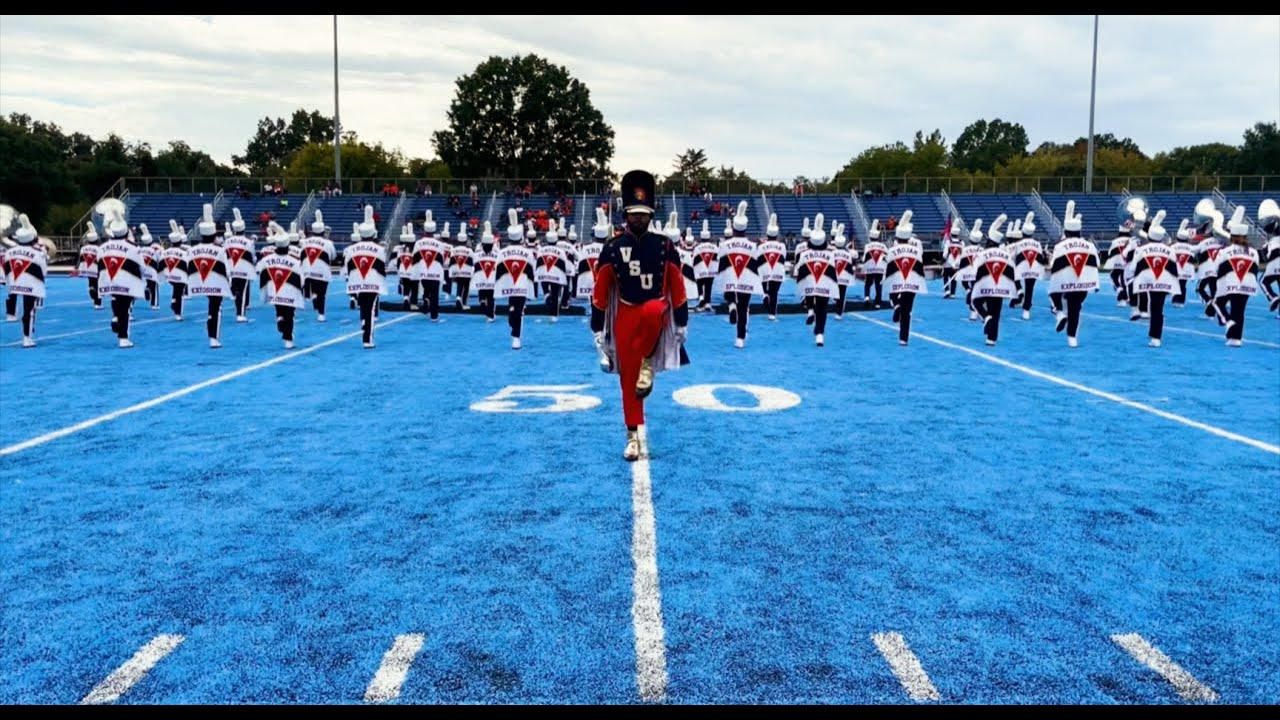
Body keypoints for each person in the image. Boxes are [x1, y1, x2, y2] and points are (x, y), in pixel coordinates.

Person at [591, 170, 690, 461]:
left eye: (644, 213)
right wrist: (597, 327)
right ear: (626, 213)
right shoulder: (612, 247)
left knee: (654, 308)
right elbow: (601, 288)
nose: (638, 218)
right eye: (634, 213)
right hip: (624, 316)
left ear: (651, 214)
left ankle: (648, 360)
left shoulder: (664, 245)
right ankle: (632, 435)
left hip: (653, 313)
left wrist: (682, 321)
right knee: (629, 382)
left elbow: (676, 283)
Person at [1047, 201, 1099, 348]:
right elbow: (1095, 264)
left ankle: (1059, 314)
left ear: (1067, 232)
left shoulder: (1060, 246)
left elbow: (1055, 266)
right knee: (1075, 308)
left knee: (1053, 295)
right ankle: (1072, 338)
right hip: (1082, 283)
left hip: (1064, 281)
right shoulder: (1089, 246)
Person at [1210, 206, 1262, 347]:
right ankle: (1236, 339)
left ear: (1232, 236)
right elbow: (1256, 268)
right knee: (1240, 311)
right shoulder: (1254, 252)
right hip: (1248, 284)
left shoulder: (1225, 251)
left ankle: (1228, 322)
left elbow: (1216, 268)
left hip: (1231, 283)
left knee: (1217, 303)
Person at [96, 210, 146, 348]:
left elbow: (99, 265)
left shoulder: (102, 247)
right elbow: (142, 266)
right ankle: (123, 337)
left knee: (116, 299)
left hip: (109, 280)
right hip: (126, 281)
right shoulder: (133, 248)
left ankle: (115, 316)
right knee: (125, 308)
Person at [186, 204, 233, 349]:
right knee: (215, 308)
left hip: (200, 282)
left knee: (212, 307)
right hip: (216, 283)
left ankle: (211, 332)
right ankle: (213, 337)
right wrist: (229, 286)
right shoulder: (220, 250)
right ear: (213, 234)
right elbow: (227, 269)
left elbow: (190, 268)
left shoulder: (192, 249)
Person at [4, 213, 47, 347]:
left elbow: (6, 269)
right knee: (29, 310)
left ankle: (11, 314)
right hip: (31, 284)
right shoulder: (37, 253)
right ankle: (27, 338)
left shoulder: (9, 252)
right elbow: (43, 272)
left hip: (15, 283)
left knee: (21, 305)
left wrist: (10, 283)